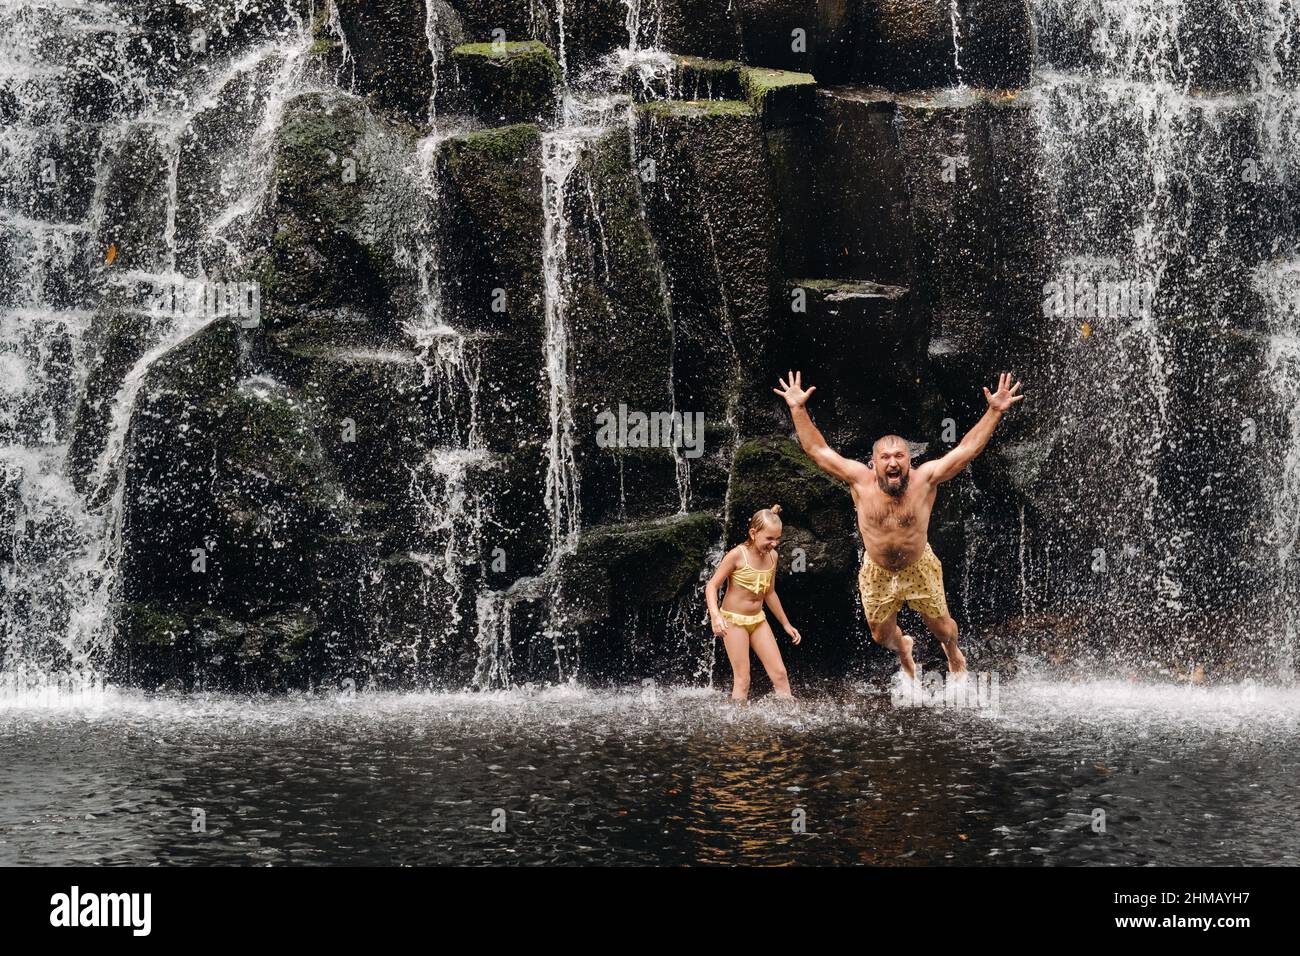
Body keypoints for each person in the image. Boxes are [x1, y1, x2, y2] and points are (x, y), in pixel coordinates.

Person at [773, 370, 1025, 679]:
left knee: (943, 629)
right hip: (877, 570)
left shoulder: (926, 479)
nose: (893, 462)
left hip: (919, 565)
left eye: (900, 456)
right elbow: (817, 450)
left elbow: (966, 450)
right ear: (874, 463)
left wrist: (994, 411)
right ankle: (903, 647)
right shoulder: (859, 480)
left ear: (909, 461)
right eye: (886, 457)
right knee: (880, 636)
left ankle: (952, 651)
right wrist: (797, 408)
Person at [704, 505, 804, 701]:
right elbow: (711, 586)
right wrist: (715, 616)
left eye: (777, 538)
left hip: (758, 620)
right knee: (743, 680)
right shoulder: (737, 555)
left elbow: (770, 593)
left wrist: (785, 624)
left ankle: (788, 720)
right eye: (769, 538)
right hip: (733, 621)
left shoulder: (772, 556)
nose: (774, 544)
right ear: (753, 533)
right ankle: (737, 726)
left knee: (780, 673)